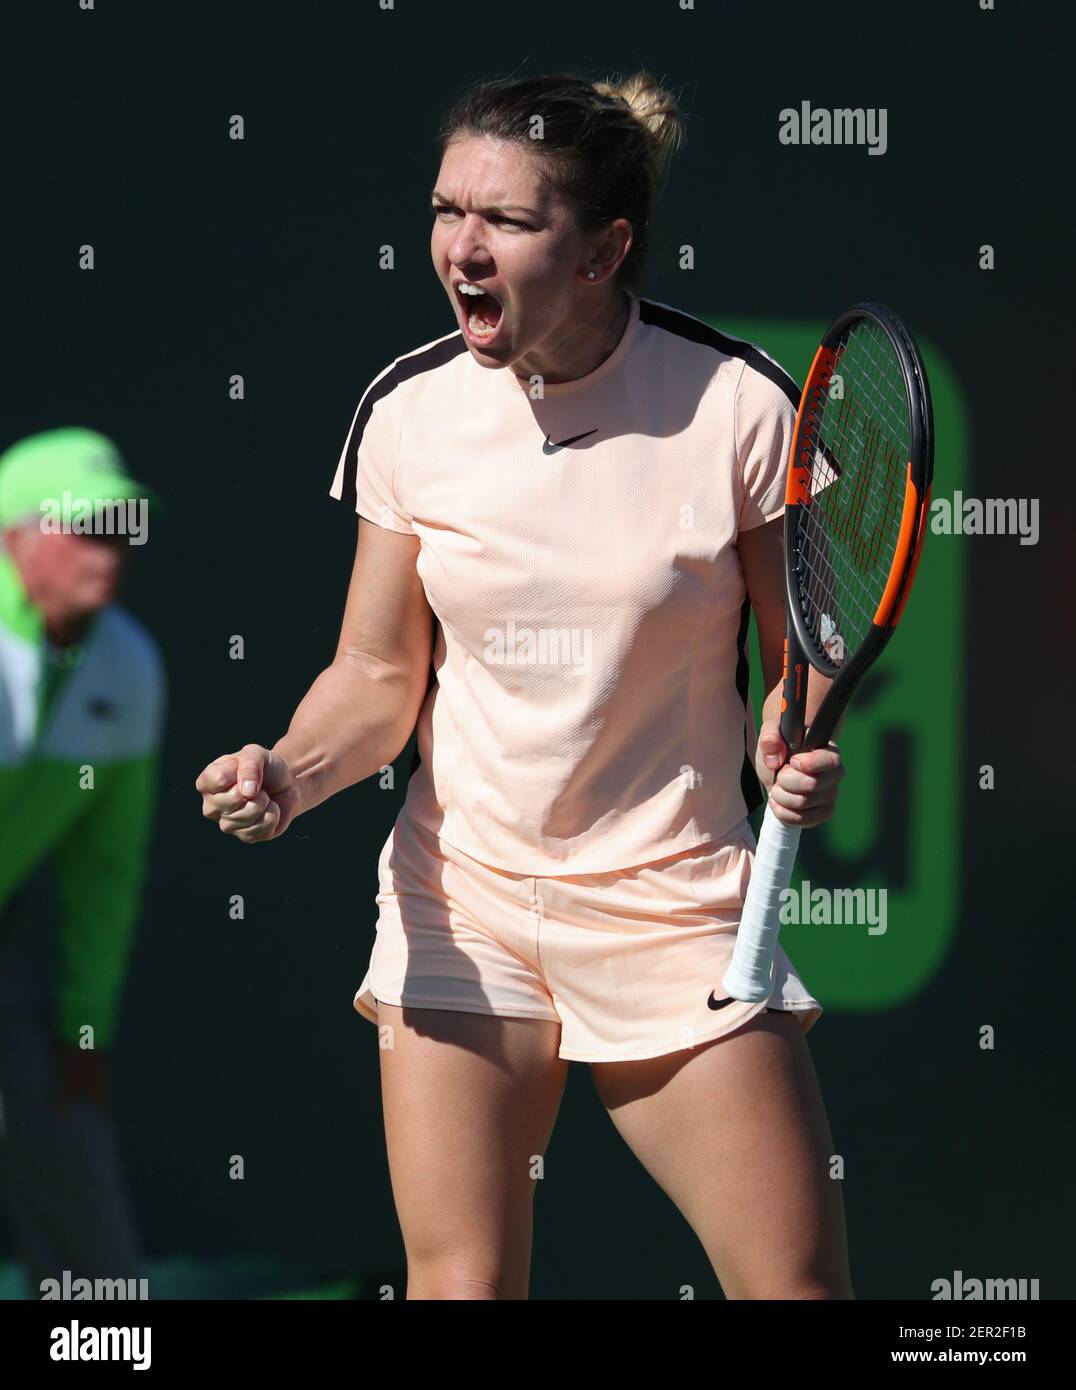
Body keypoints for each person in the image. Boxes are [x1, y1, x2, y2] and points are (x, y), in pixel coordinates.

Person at [195, 72, 853, 1300]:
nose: (460, 246)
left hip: (674, 900)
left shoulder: (739, 408)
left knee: (794, 1288)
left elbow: (796, 665)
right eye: (448, 210)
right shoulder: (410, 411)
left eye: (503, 220)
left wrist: (794, 739)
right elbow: (378, 673)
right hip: (465, 902)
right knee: (460, 1287)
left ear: (605, 248)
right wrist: (290, 769)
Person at [0, 427, 164, 1293]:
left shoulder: (127, 667)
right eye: (85, 526)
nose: (110, 547)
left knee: (68, 1150)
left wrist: (82, 1025)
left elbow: (106, 870)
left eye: (122, 527)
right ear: (12, 536)